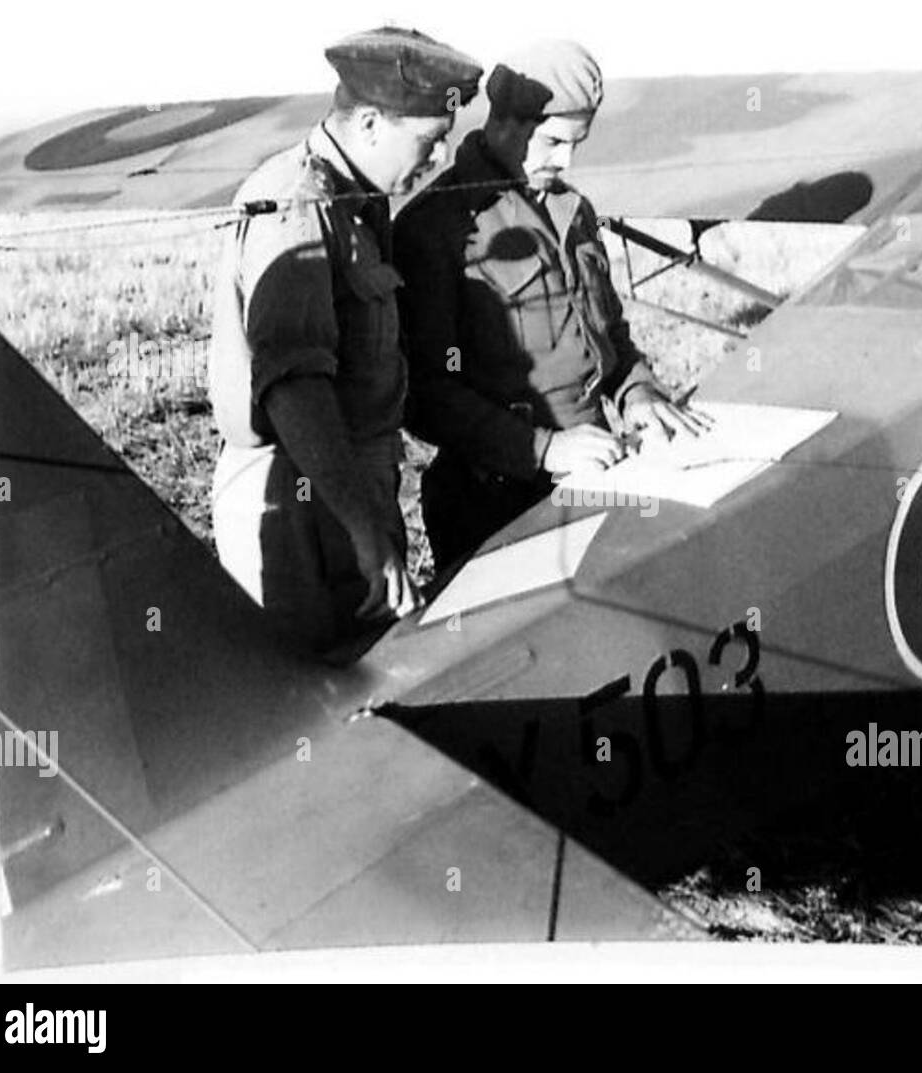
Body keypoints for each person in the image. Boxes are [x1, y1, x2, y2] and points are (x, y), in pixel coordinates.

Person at [208, 26, 482, 656]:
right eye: (430, 142)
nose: (439, 161)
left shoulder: (356, 199)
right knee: (311, 706)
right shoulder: (298, 206)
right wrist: (364, 530)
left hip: (339, 492)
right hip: (301, 503)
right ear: (368, 125)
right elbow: (295, 389)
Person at [394, 39, 709, 574]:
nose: (564, 162)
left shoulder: (572, 210)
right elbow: (425, 394)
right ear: (508, 123)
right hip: (493, 502)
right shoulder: (437, 226)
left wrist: (637, 393)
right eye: (554, 142)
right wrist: (544, 450)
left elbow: (610, 335)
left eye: (575, 145)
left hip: (596, 474)